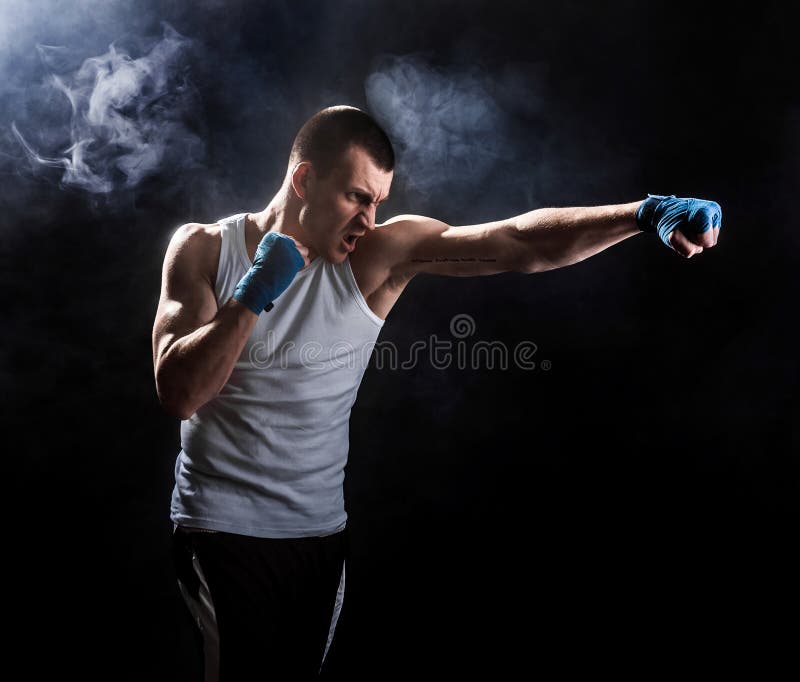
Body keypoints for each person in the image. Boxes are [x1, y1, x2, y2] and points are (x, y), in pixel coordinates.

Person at [152, 105, 722, 679]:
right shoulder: (205, 250)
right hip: (223, 531)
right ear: (304, 180)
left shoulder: (375, 257)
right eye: (356, 197)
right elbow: (179, 393)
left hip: (320, 534)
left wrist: (646, 213)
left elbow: (514, 244)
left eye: (378, 202)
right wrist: (252, 294)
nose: (369, 221)